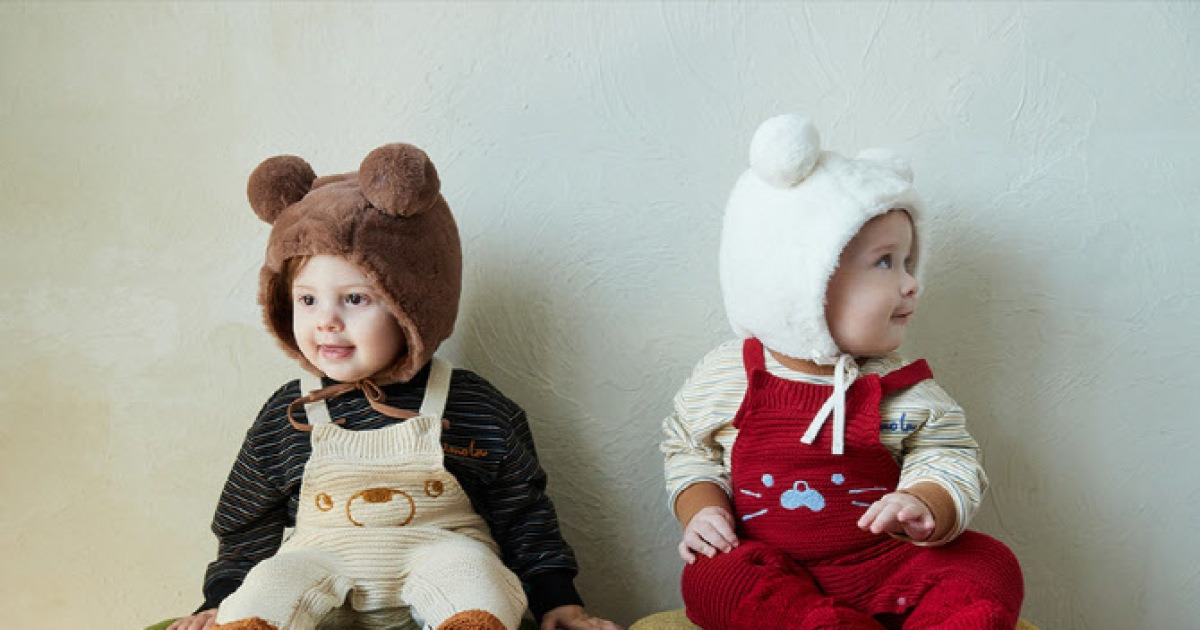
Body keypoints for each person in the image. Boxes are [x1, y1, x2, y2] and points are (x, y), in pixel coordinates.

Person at [170, 143, 620, 630]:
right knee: (272, 581)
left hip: (439, 561)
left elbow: (523, 515)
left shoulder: (474, 405)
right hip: (320, 570)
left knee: (474, 574)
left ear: (415, 303)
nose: (327, 322)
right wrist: (218, 601)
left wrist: (560, 601)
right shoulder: (289, 413)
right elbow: (246, 525)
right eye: (307, 299)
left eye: (355, 298)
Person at [661, 115, 1024, 629]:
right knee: (710, 576)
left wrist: (925, 502)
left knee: (989, 561)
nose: (911, 284)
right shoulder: (729, 376)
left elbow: (948, 455)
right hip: (775, 570)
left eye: (908, 262)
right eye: (885, 263)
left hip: (888, 565)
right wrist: (702, 509)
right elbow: (688, 447)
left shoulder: (906, 390)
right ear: (799, 276)